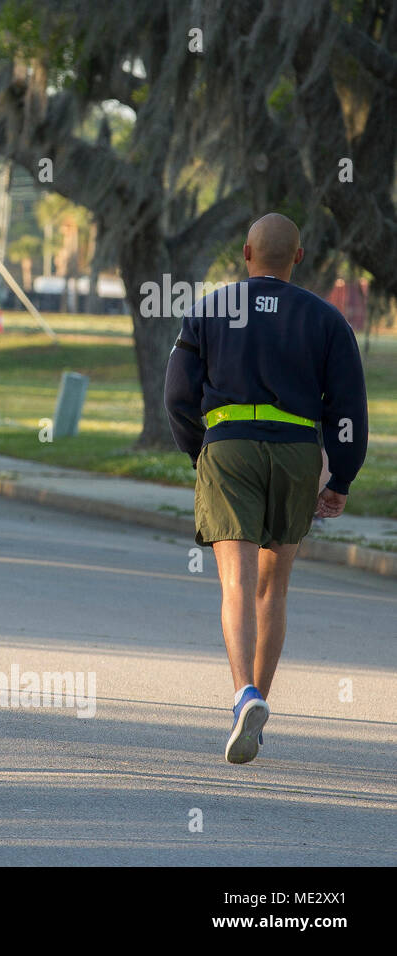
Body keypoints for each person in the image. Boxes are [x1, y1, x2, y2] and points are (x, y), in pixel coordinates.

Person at [164, 213, 368, 764]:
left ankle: (243, 697)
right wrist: (341, 476)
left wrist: (197, 450)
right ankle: (259, 710)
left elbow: (178, 394)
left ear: (247, 254)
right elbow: (348, 411)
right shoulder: (327, 321)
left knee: (235, 583)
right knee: (273, 589)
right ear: (298, 259)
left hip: (230, 445)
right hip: (299, 452)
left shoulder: (210, 308)